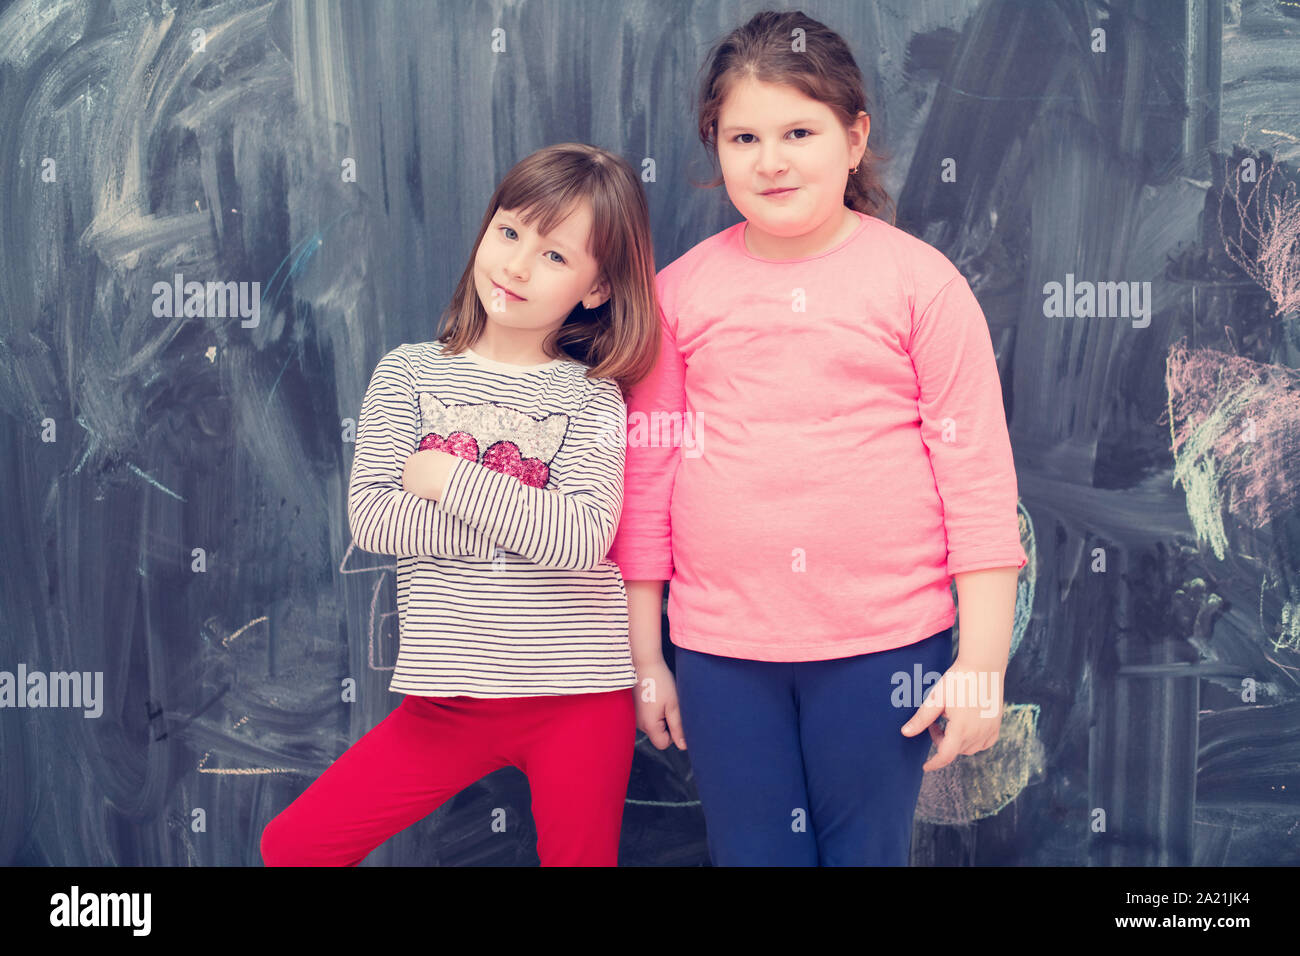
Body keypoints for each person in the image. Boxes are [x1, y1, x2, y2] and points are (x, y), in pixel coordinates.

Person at [611, 10, 1028, 866]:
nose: (771, 160)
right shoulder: (679, 296)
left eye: (799, 131)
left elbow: (979, 485)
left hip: (884, 649)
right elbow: (644, 486)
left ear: (854, 136)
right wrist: (647, 656)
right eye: (743, 137)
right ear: (716, 149)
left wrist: (980, 663)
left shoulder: (922, 286)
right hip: (722, 654)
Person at [261, 143, 660, 867]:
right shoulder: (408, 373)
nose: (515, 266)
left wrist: (447, 474)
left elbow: (580, 539)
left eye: (555, 257)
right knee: (294, 846)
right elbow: (376, 519)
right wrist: (524, 524)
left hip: (576, 696)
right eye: (509, 233)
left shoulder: (592, 396)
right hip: (445, 701)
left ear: (597, 289)